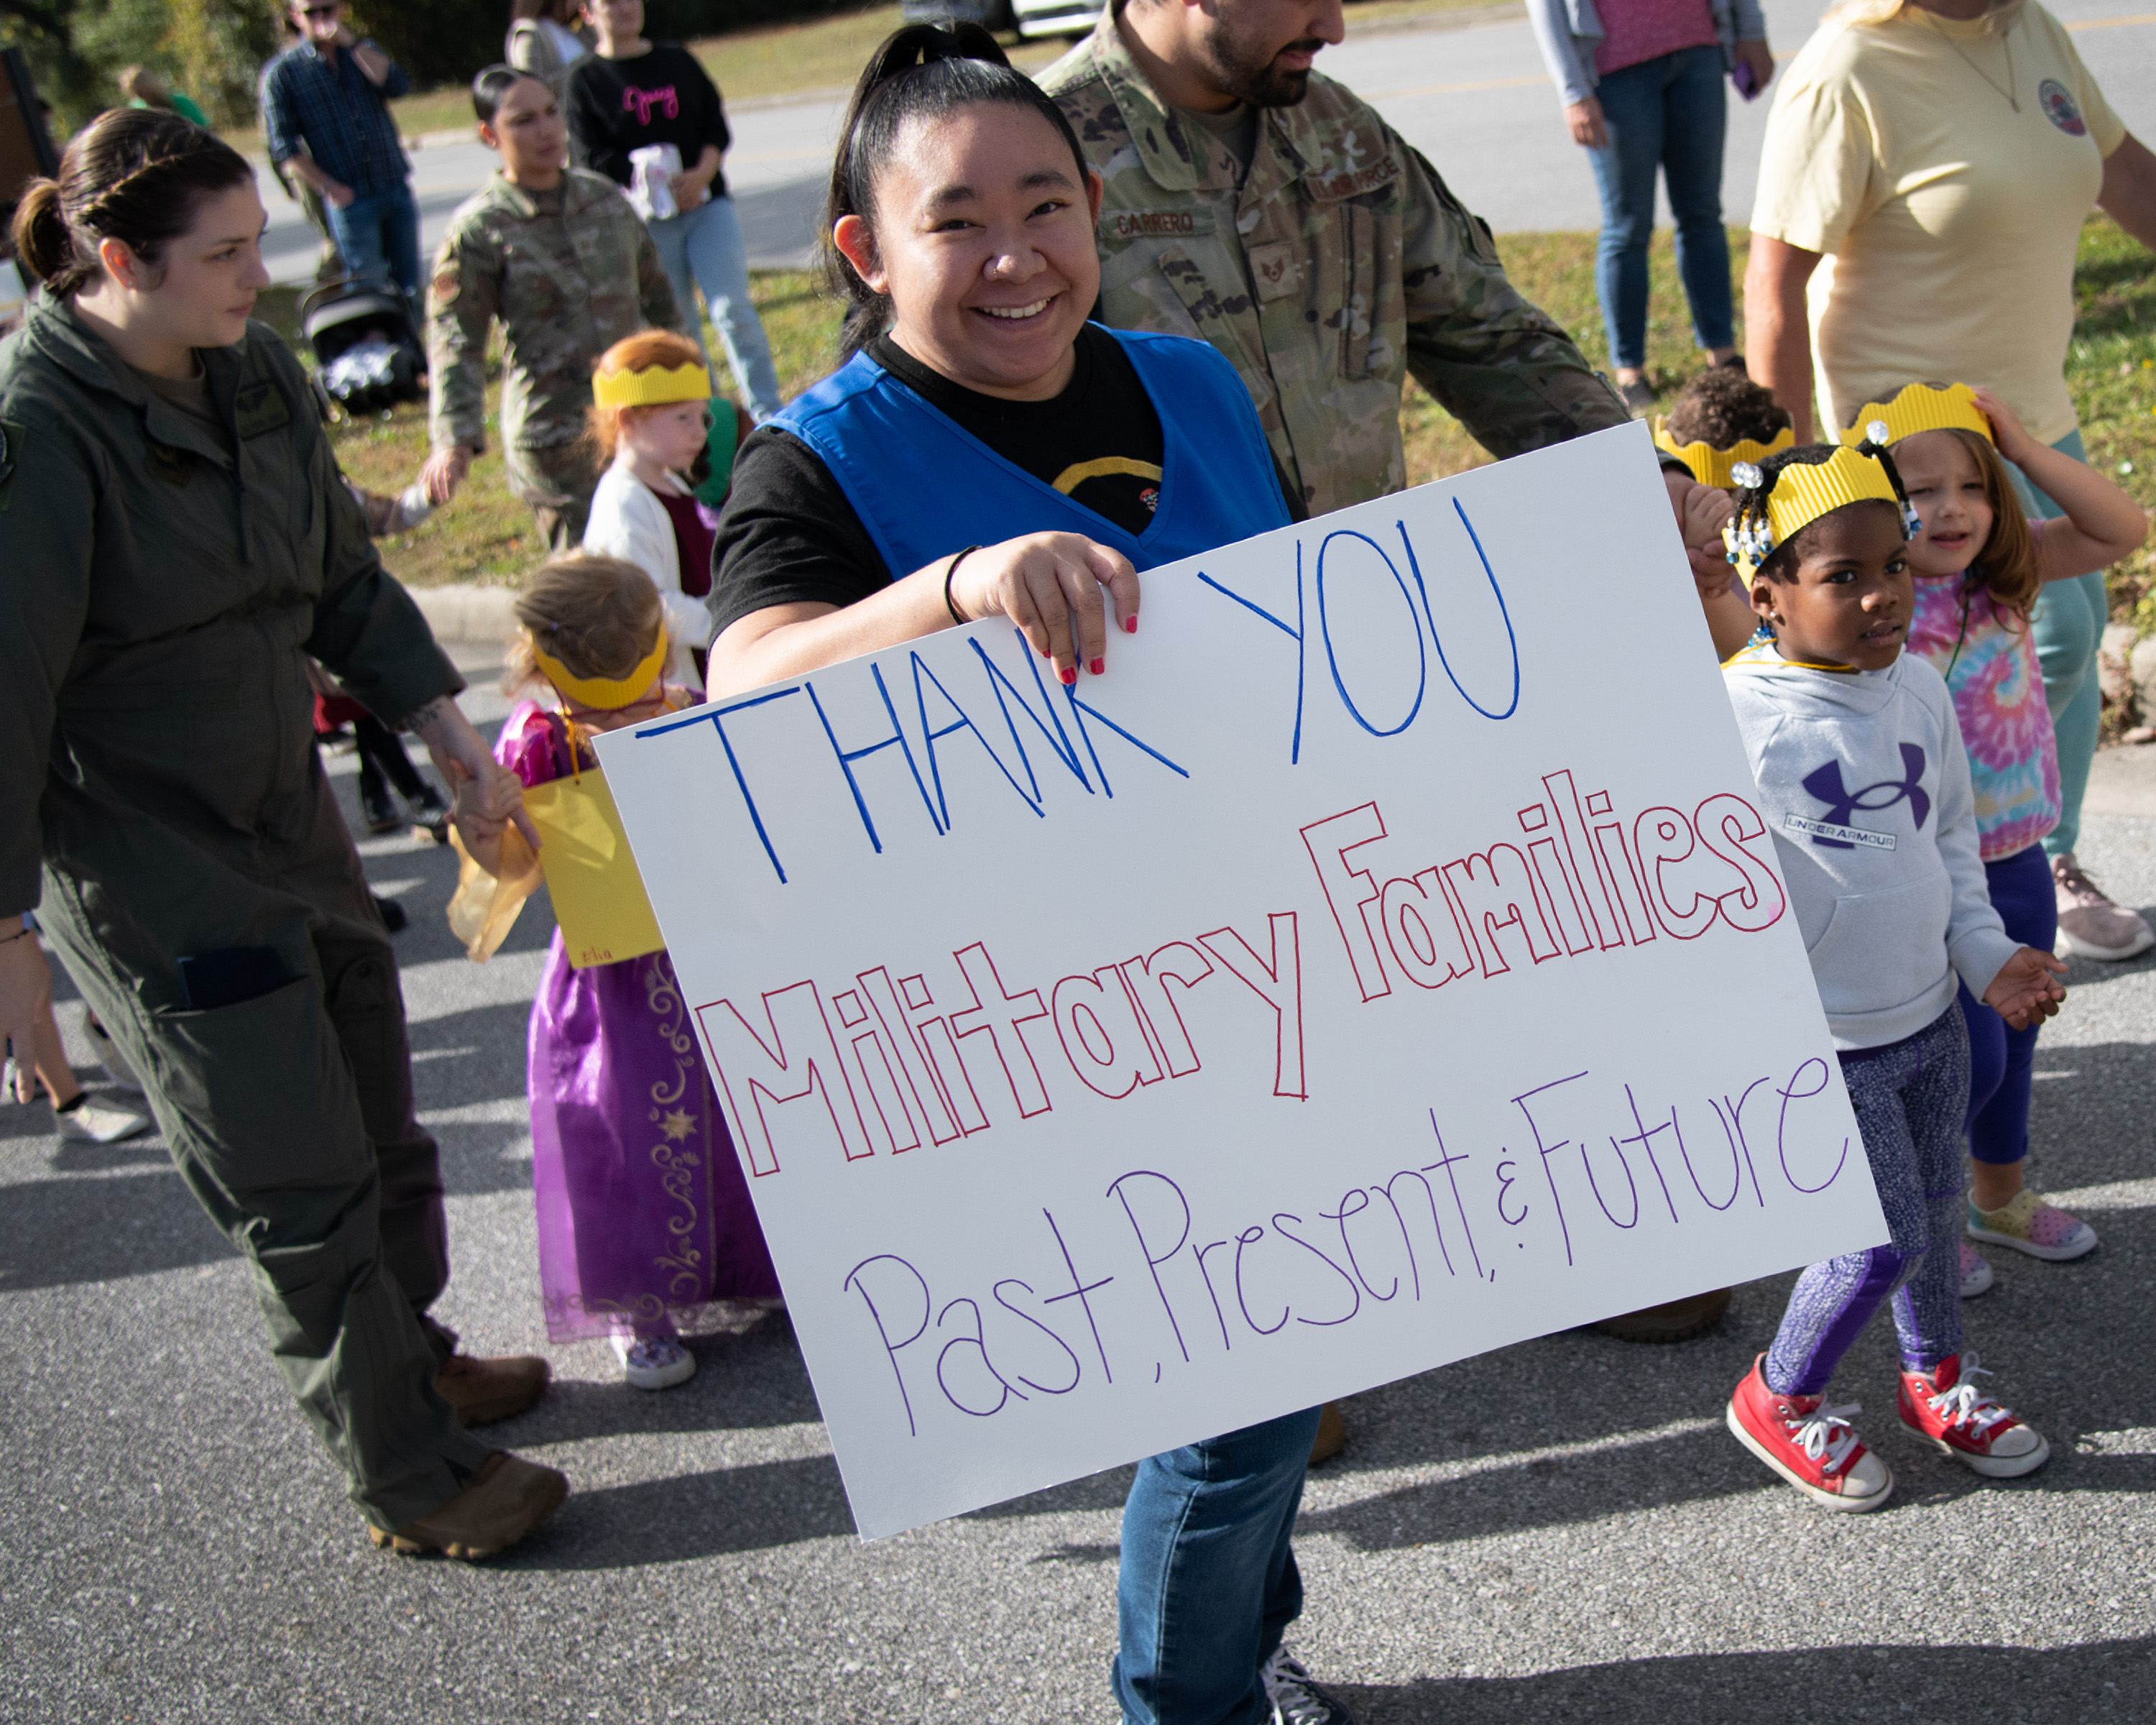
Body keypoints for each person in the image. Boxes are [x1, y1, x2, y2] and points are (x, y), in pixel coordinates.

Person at [706, 27, 1350, 1724]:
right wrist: (955, 587)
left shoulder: (1190, 381)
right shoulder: (816, 457)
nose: (1013, 257)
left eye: (1045, 204)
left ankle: (1241, 1639)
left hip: (1263, 968)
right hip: (1046, 1028)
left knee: (1281, 1359)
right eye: (955, 219)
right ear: (862, 248)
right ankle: (1185, 1697)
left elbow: (1299, 629)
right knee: (1242, 1395)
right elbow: (739, 688)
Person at [1, 108, 566, 1561]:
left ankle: (416, 1357)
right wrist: (8, 937)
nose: (267, 275)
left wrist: (448, 738)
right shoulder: (37, 429)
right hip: (151, 867)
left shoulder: (243, 369)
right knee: (294, 1177)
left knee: (380, 1125)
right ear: (118, 262)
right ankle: (409, 1475)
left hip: (286, 815)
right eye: (230, 253)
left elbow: (343, 580)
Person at [1743, 0, 2156, 960]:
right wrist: (1795, 481)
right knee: (2028, 638)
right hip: (1913, 461)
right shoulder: (1848, 67)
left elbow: (2126, 174)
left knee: (2073, 637)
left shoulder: (2030, 30)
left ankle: (2036, 852)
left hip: (2033, 428)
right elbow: (1774, 288)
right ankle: (1954, 858)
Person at [1718, 439, 2066, 1511]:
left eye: (1896, 567)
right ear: (1766, 594)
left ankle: (1939, 1384)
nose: (1881, 598)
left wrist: (1988, 956)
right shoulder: (1732, 720)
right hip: (1825, 1048)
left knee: (1938, 1212)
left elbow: (1950, 845)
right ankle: (1778, 1395)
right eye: (1842, 577)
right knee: (1878, 1242)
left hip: (1931, 1021)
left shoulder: (1916, 685)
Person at [1039, 0, 1636, 522]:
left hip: (1361, 594)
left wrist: (1637, 474)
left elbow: (1488, 339)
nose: (1334, 26)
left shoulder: (1340, 131)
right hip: (1171, 628)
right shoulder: (1038, 154)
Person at [448, 555, 782, 1389]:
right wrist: (487, 825)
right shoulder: (541, 745)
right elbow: (517, 863)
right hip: (614, 988)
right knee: (618, 1129)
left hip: (706, 964)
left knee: (739, 1122)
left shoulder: (690, 713)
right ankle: (641, 1307)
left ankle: (753, 1267)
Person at [1853, 382, 2147, 1289]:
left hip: (2019, 853)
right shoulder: (1878, 608)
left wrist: (2021, 447)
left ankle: (1999, 1198)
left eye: (1970, 485)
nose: (1950, 509)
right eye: (1919, 490)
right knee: (1960, 1061)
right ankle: (1926, 1220)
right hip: (1930, 875)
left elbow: (2121, 529)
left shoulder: (2005, 579)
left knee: (2017, 1040)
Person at [423, 65, 685, 551]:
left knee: (660, 568)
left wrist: (691, 389)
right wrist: (454, 438)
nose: (545, 130)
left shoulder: (604, 199)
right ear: (488, 134)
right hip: (556, 442)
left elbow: (661, 301)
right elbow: (456, 340)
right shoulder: (480, 229)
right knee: (593, 589)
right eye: (523, 121)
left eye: (550, 113)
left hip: (636, 422)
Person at [1527, 0, 1772, 413]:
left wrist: (1750, 28)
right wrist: (1573, 91)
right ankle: (1630, 372)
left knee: (1702, 215)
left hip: (1697, 51)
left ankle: (1723, 356)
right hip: (1615, 72)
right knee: (1627, 227)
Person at [566, 0, 783, 421]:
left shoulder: (676, 60)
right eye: (610, 2)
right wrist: (651, 181)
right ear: (588, 13)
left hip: (706, 206)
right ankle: (710, 420)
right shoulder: (584, 81)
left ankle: (768, 415)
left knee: (732, 310)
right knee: (679, 329)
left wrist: (701, 174)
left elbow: (715, 127)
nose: (624, 8)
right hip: (645, 224)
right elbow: (588, 156)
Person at [581, 329, 746, 689]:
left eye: (702, 418)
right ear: (627, 420)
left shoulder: (670, 483)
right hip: (670, 688)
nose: (699, 433)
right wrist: (731, 623)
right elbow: (644, 605)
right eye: (682, 418)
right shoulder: (624, 503)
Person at [261, 0, 421, 297]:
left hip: (393, 184)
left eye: (328, 10)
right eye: (311, 13)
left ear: (342, 10)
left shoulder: (363, 52)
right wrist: (330, 187)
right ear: (296, 17)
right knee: (368, 286)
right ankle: (374, 340)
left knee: (408, 284)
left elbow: (397, 86)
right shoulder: (283, 72)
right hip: (350, 198)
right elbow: (282, 147)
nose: (321, 19)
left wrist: (353, 43)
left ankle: (410, 340)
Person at [507, 0, 591, 99]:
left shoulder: (573, 30)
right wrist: (582, 76)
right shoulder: (528, 33)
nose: (575, 3)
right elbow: (531, 85)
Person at [118, 65, 210, 128]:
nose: (140, 97)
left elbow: (204, 128)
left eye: (142, 92)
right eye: (136, 94)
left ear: (152, 88)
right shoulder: (137, 111)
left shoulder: (180, 102)